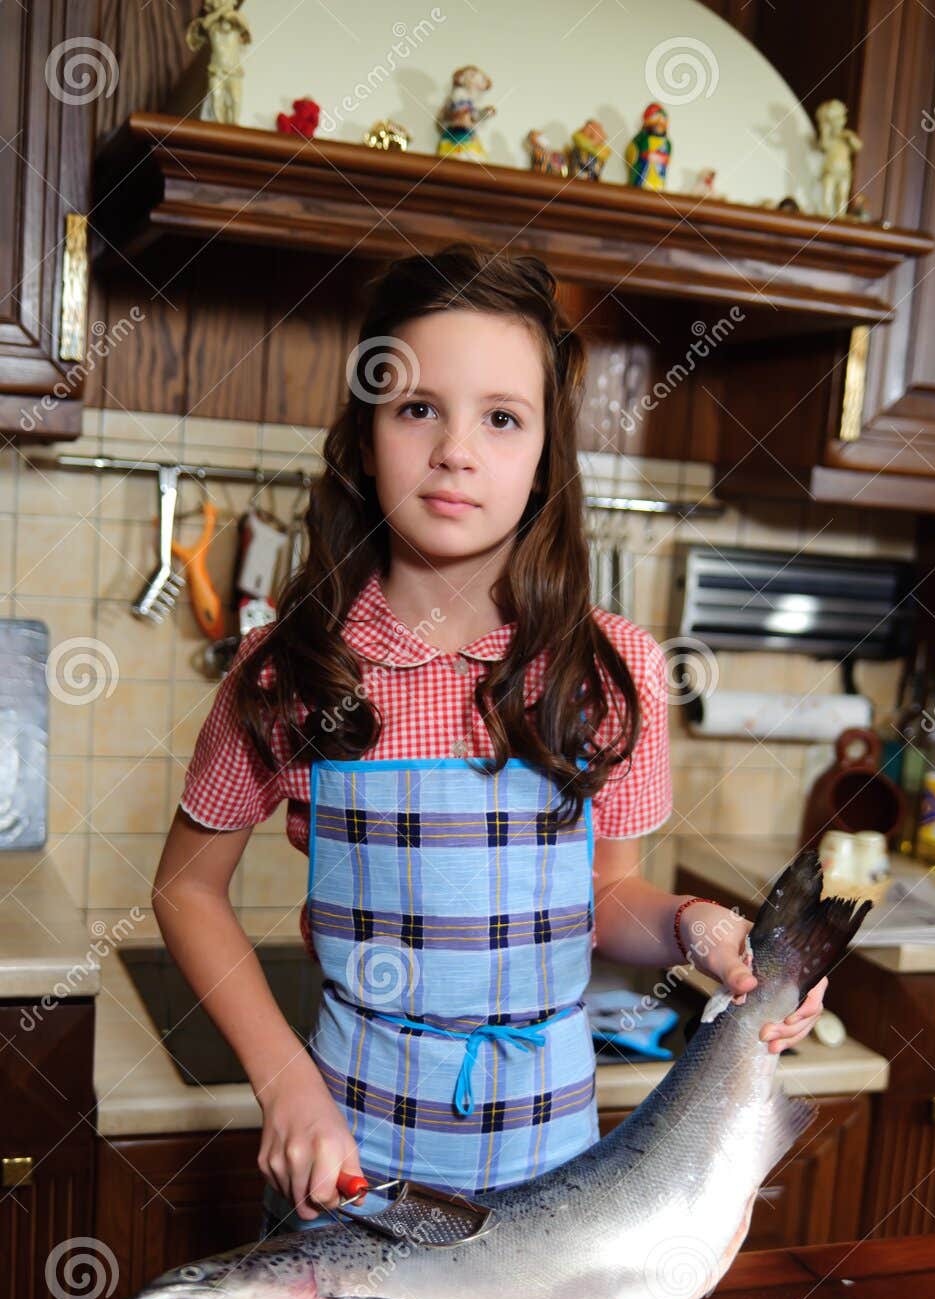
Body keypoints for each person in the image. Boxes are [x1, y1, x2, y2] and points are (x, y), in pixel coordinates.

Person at [153, 242, 827, 1235]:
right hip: (350, 1169)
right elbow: (183, 888)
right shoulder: (289, 669)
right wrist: (286, 1085)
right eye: (418, 407)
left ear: (545, 456)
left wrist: (693, 926)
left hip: (554, 1173)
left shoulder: (613, 670)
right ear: (364, 433)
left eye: (501, 418)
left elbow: (606, 898)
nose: (455, 450)